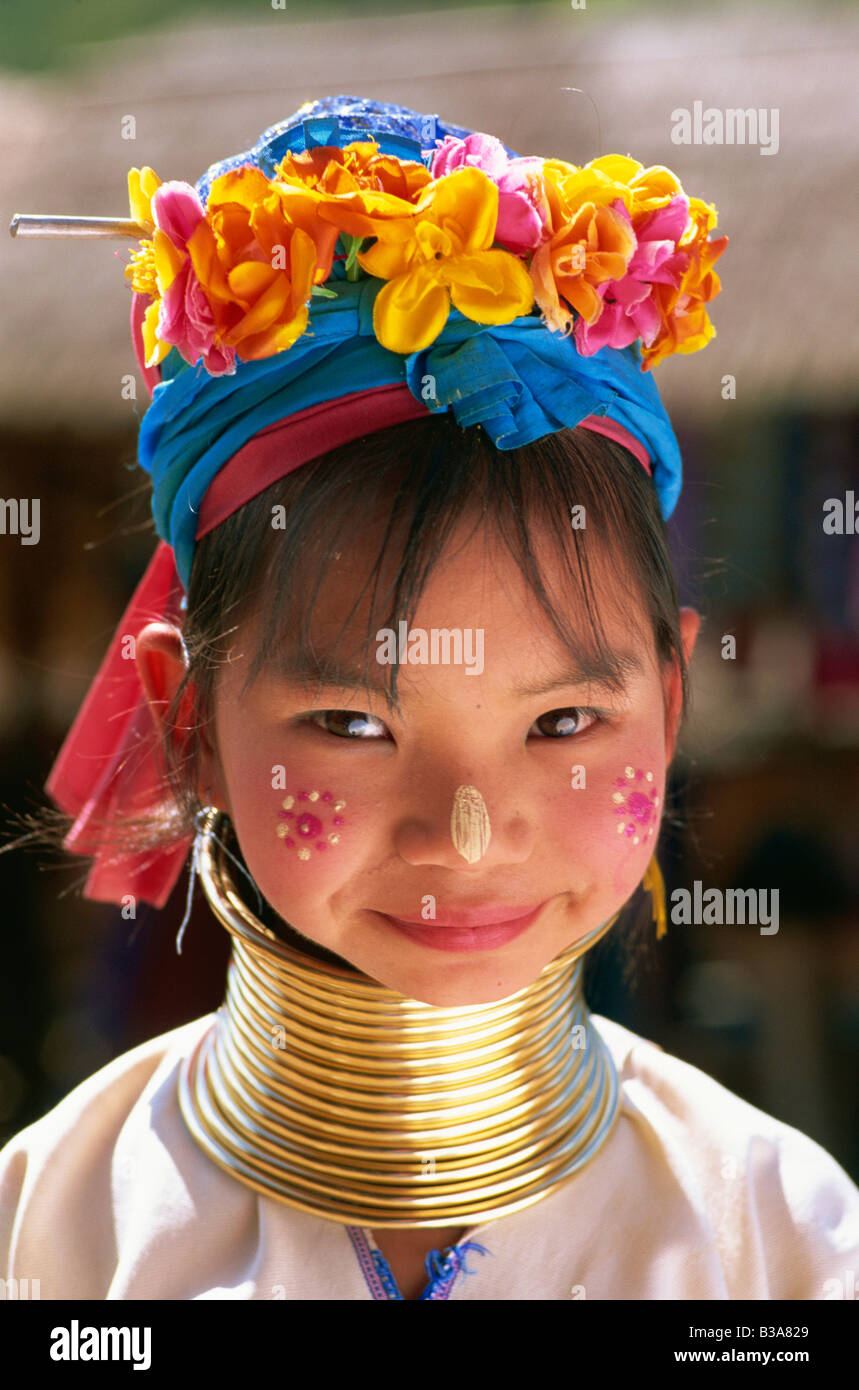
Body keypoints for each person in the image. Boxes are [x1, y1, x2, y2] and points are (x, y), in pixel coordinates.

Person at [1, 95, 856, 1302]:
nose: (466, 829)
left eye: (562, 722)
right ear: (186, 721)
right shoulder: (51, 1239)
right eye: (352, 726)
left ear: (668, 705)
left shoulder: (783, 1244)